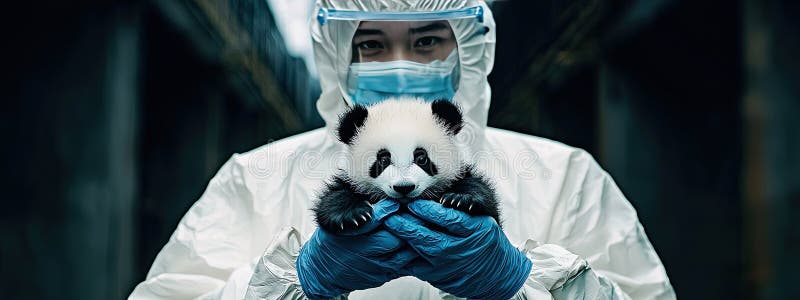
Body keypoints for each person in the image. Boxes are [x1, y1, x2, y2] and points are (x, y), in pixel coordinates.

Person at [129, 0, 676, 299]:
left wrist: (518, 282)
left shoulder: (565, 178)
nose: (401, 64)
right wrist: (295, 282)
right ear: (337, 55)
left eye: (426, 41)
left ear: (468, 47)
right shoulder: (256, 179)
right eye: (371, 43)